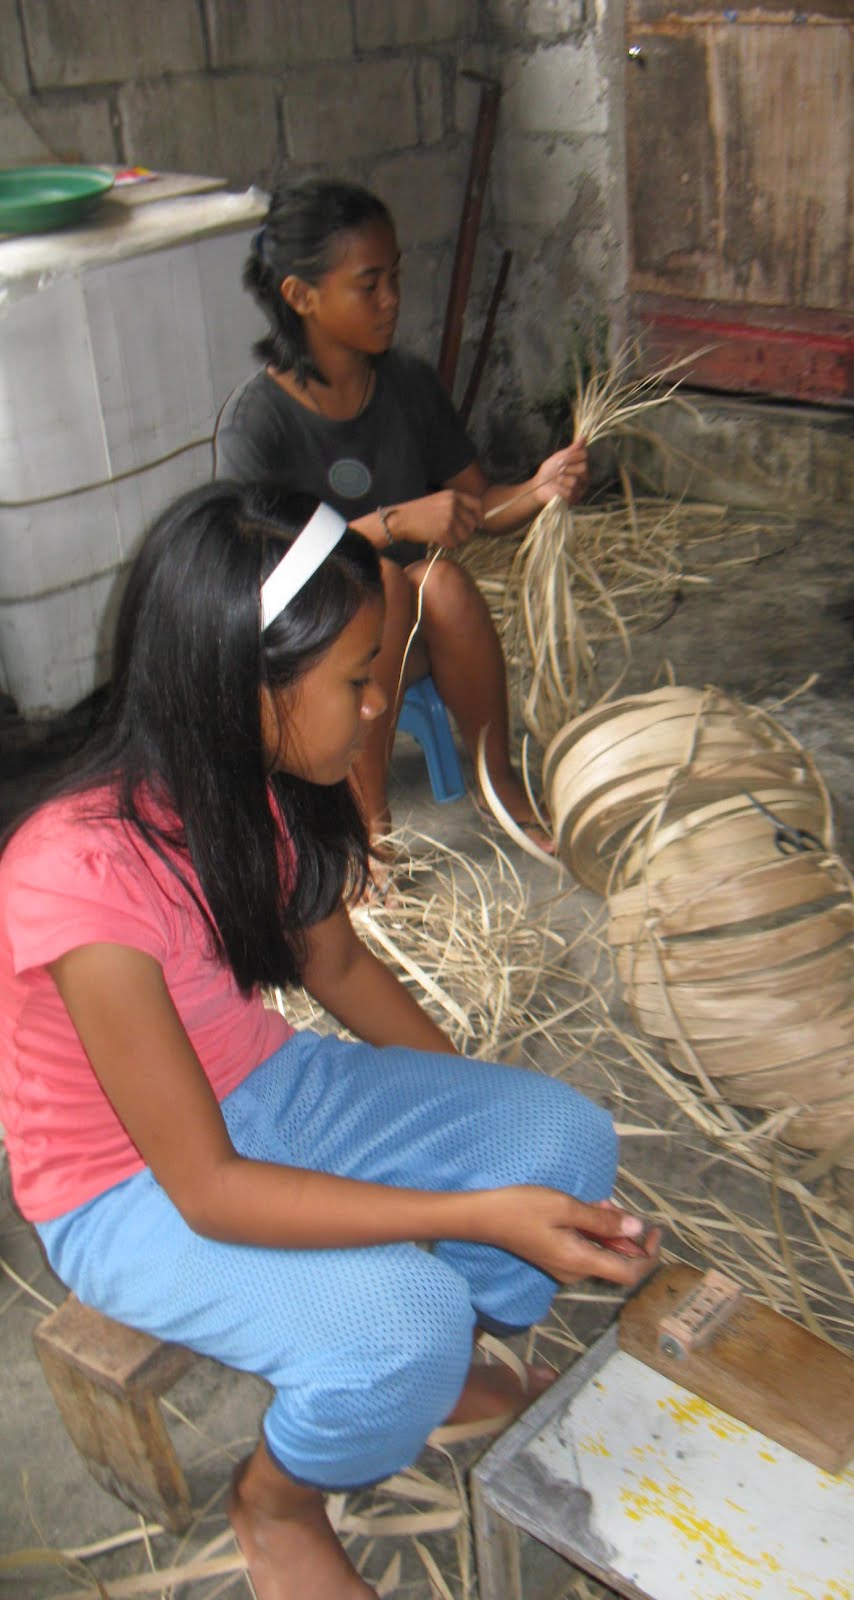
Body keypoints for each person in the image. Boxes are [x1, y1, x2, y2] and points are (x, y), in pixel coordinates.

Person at [0, 483, 659, 1600]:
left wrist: (484, 1139)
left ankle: (434, 1369)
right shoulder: (77, 875)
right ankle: (278, 1502)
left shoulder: (246, 779)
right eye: (356, 679)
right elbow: (208, 1186)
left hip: (260, 1081)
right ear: (245, 686)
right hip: (127, 1187)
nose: (373, 709)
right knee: (402, 1315)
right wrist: (467, 1210)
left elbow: (339, 967)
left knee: (561, 1137)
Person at [215, 178, 588, 846]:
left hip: (400, 638)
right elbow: (264, 578)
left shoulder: (408, 384)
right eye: (368, 284)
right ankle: (365, 828)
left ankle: (497, 785)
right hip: (305, 657)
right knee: (380, 578)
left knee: (441, 581)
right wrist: (393, 525)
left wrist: (537, 487)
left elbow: (477, 503)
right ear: (302, 296)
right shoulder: (257, 420)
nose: (392, 300)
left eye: (395, 277)